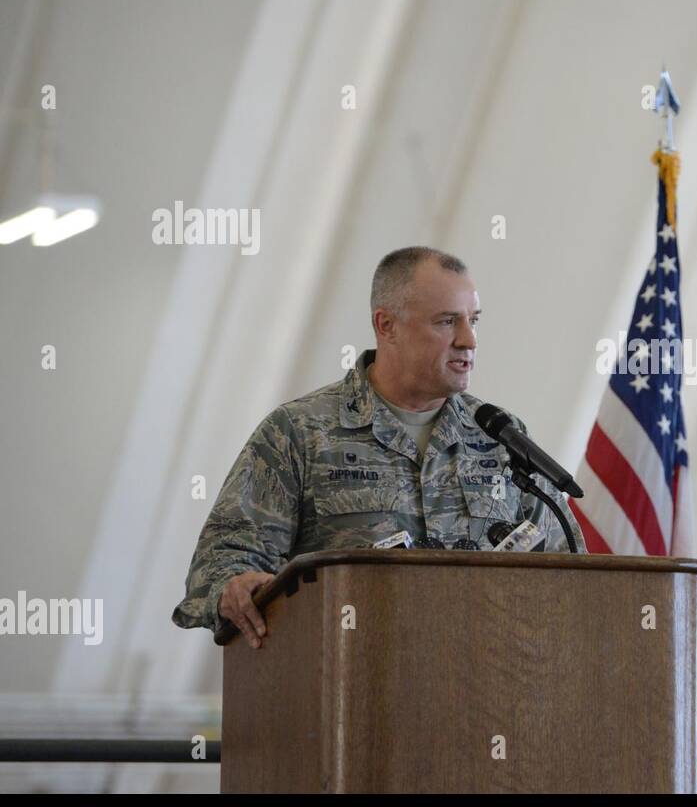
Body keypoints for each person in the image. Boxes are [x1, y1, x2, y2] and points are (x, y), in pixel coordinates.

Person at [171, 246, 585, 648]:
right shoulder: (300, 432)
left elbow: (570, 570)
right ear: (387, 326)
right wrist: (235, 586)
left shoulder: (499, 437)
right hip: (349, 683)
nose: (469, 340)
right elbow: (222, 560)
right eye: (446, 322)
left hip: (486, 690)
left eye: (474, 320)